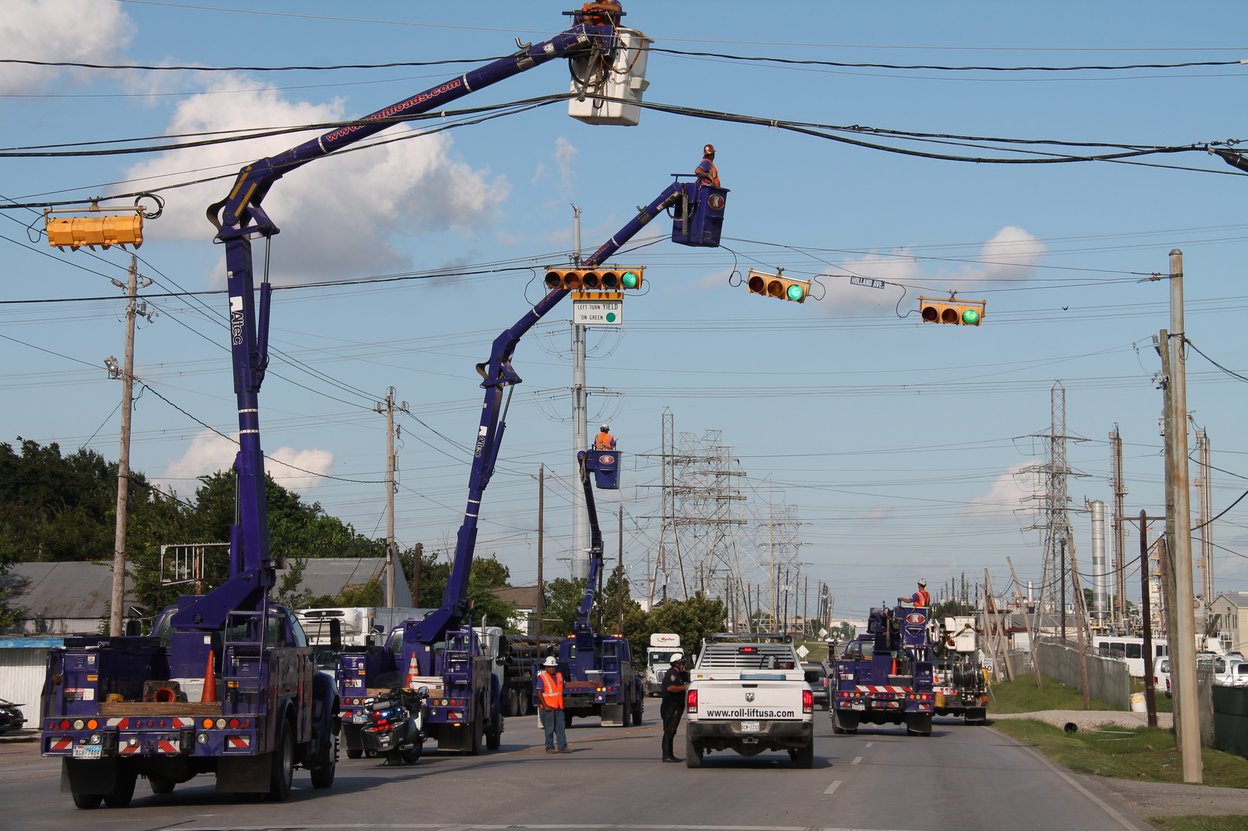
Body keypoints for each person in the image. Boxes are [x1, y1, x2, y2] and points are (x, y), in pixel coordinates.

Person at [535, 655, 570, 753]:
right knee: (549, 729)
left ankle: (562, 746)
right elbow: (539, 692)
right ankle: (549, 747)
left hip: (559, 707)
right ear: (546, 667)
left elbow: (562, 686)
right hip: (548, 708)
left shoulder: (559, 676)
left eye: (553, 666)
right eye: (550, 667)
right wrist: (545, 705)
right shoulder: (542, 677)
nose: (552, 668)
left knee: (561, 728)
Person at [659, 652, 690, 763]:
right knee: (669, 730)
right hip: (670, 706)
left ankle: (669, 755)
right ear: (677, 663)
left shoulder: (680, 674)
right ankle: (667, 755)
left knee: (672, 730)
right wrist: (684, 687)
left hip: (676, 706)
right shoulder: (671, 674)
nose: (684, 665)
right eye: (682, 663)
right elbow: (670, 688)